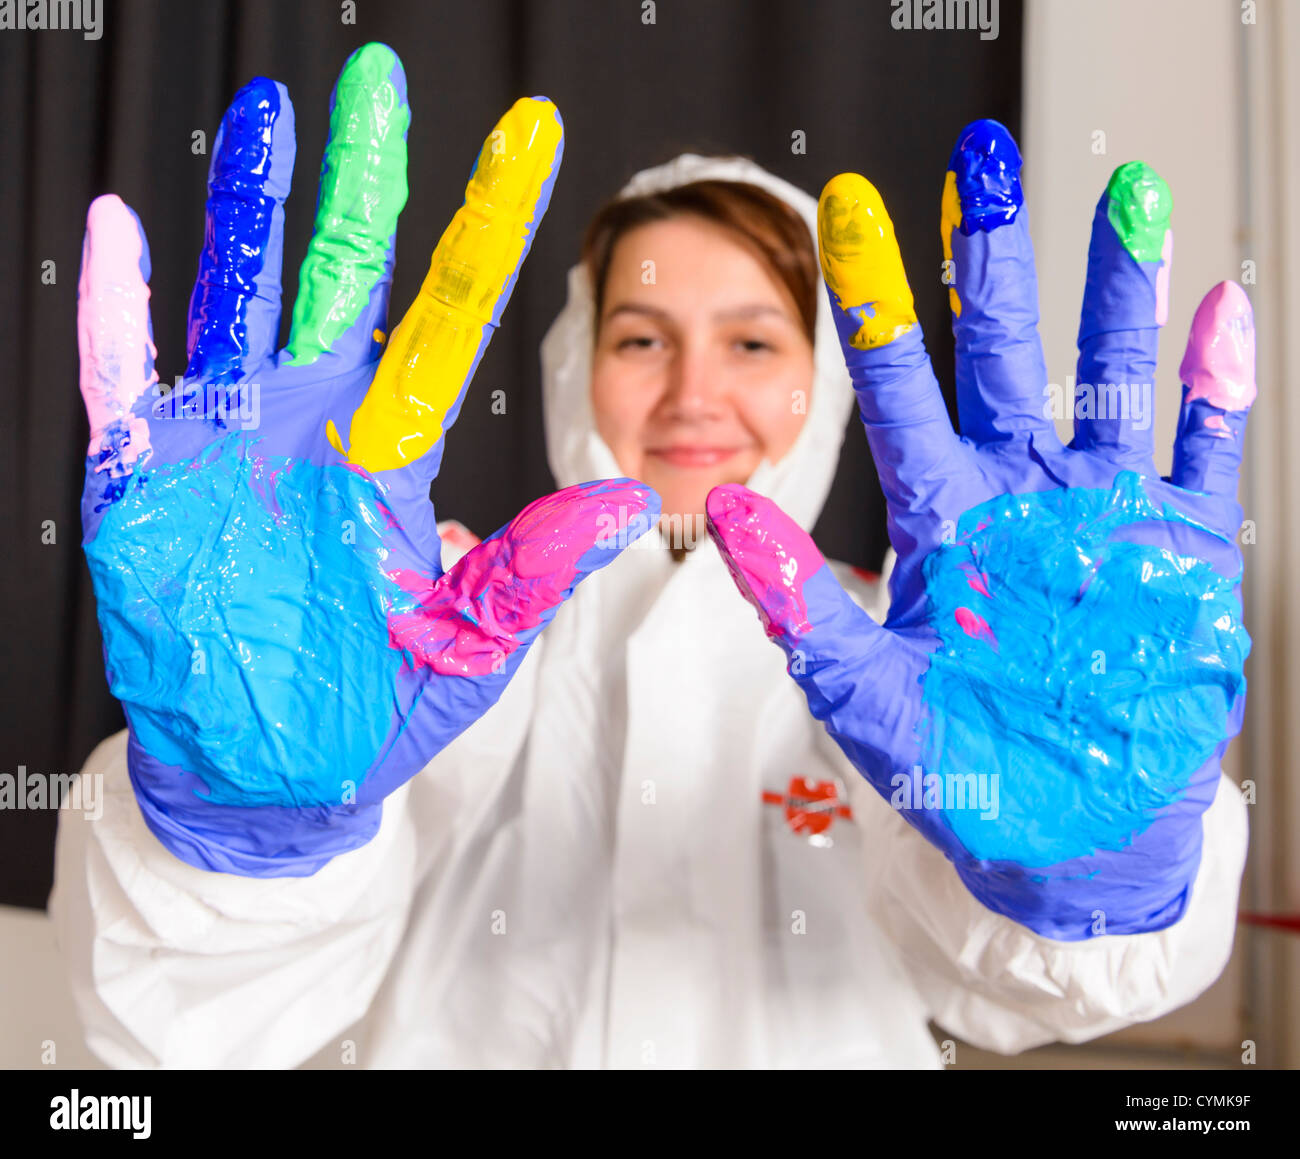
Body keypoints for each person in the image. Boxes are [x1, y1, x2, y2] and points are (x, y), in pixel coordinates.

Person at [51, 44, 1250, 1068]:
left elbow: (1006, 993)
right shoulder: (418, 626)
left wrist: (1085, 874)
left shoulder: (925, 662)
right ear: (575, 362)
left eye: (751, 340)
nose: (692, 394)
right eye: (641, 336)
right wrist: (249, 834)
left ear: (829, 376)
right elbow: (177, 1029)